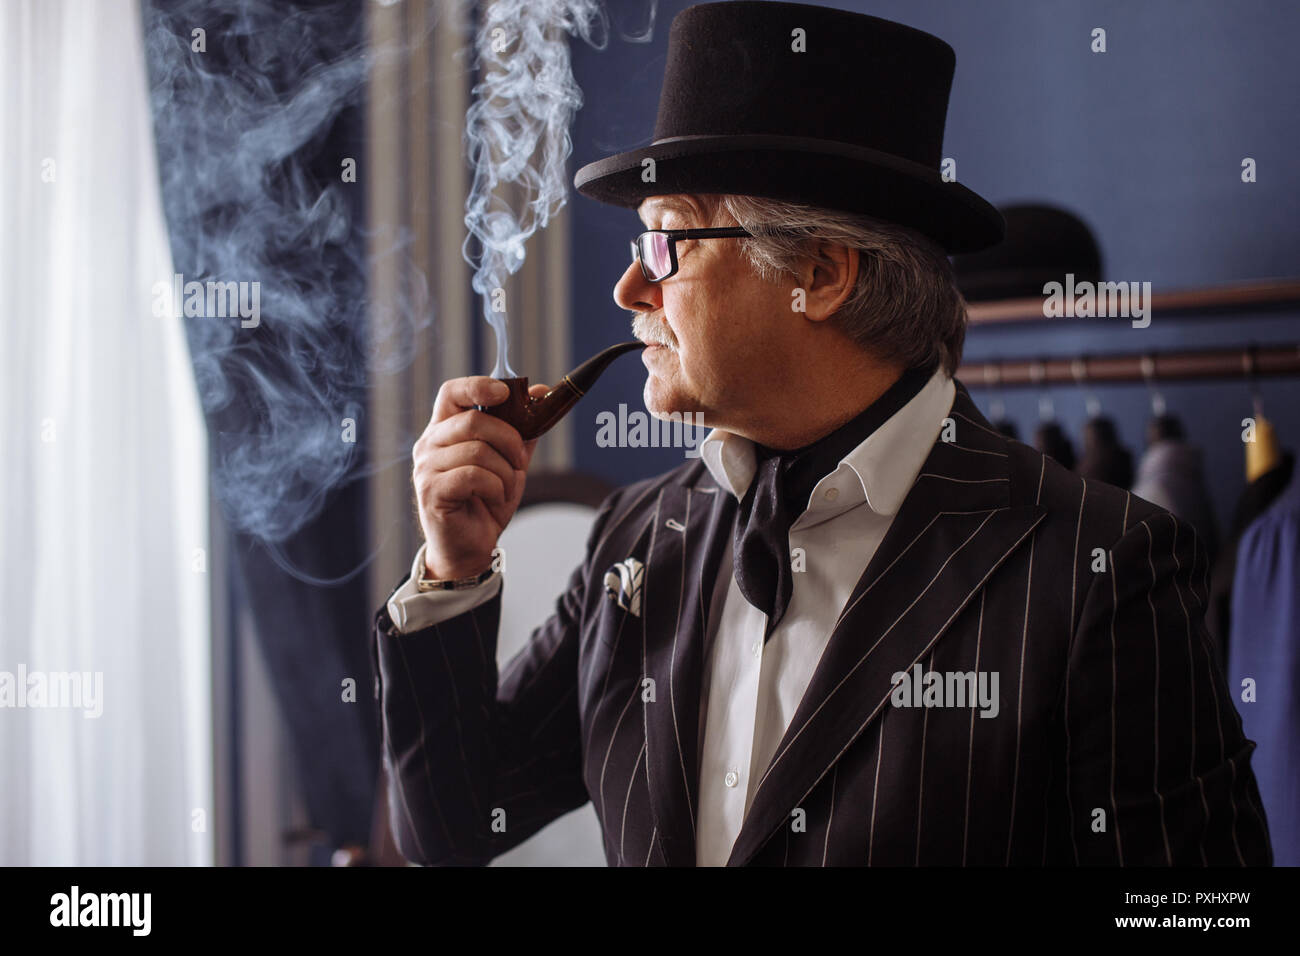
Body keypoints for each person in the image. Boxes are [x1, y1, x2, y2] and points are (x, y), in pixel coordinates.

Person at [370, 1, 1271, 866]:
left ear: (820, 272)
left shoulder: (1100, 570)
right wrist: (453, 568)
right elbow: (452, 824)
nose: (629, 293)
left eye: (666, 245)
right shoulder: (637, 539)